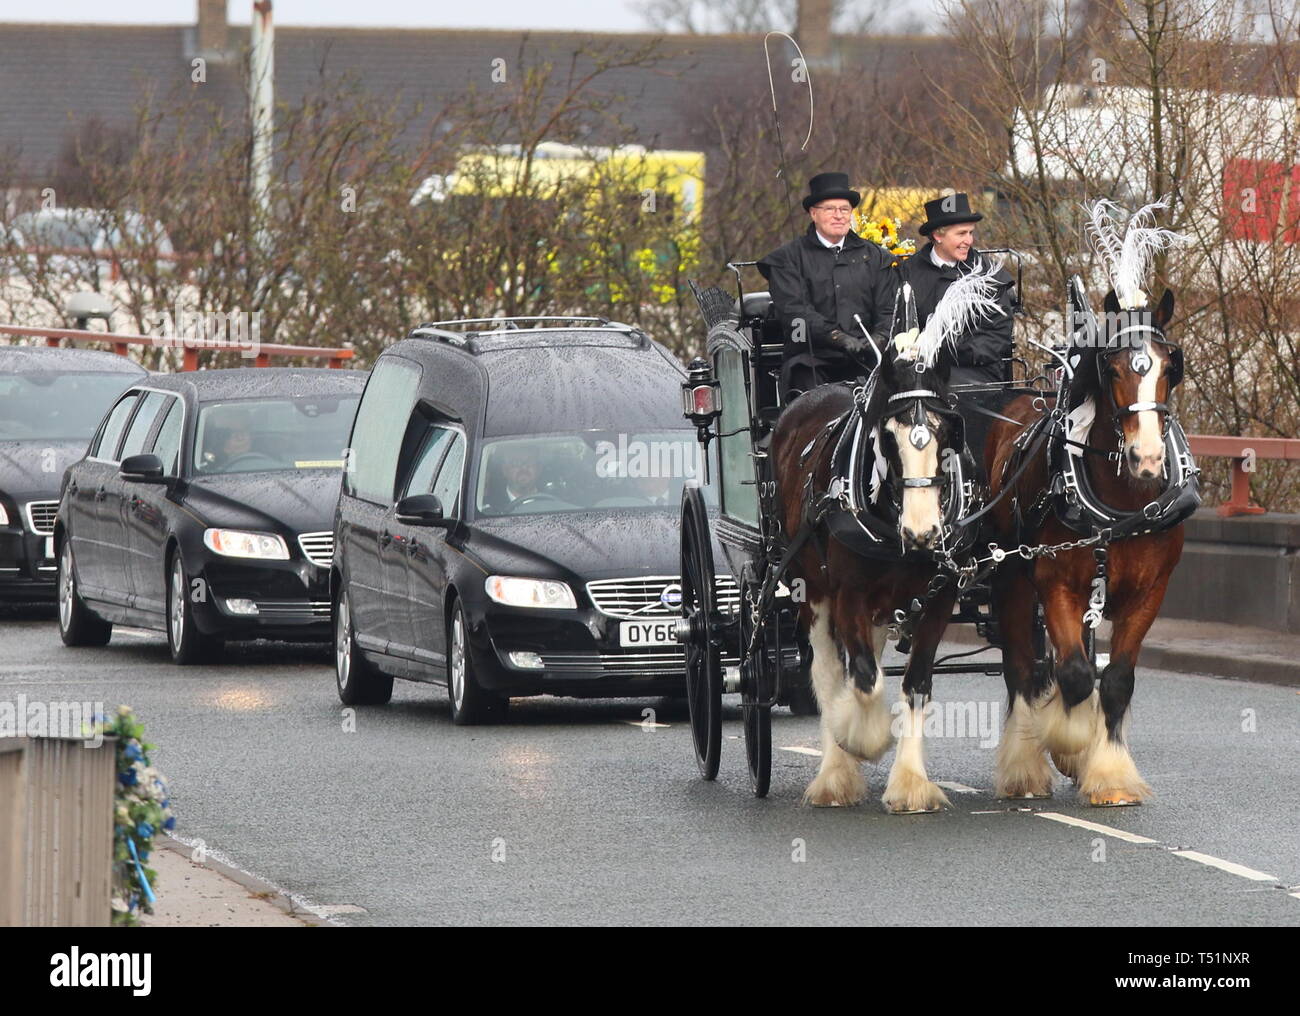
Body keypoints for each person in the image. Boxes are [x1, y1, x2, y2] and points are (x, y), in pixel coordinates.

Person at [896, 192, 1016, 480]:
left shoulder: (990, 277)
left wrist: (946, 347)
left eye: (971, 233)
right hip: (919, 373)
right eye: (961, 233)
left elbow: (997, 338)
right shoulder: (907, 273)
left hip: (975, 372)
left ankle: (974, 479)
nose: (969, 241)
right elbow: (898, 325)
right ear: (938, 235)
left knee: (956, 397)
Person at [757, 172, 897, 401]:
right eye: (830, 209)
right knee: (811, 398)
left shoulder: (875, 256)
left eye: (844, 210)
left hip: (867, 357)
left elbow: (888, 308)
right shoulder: (788, 259)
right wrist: (837, 337)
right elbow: (795, 313)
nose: (839, 216)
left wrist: (879, 338)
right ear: (814, 213)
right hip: (812, 360)